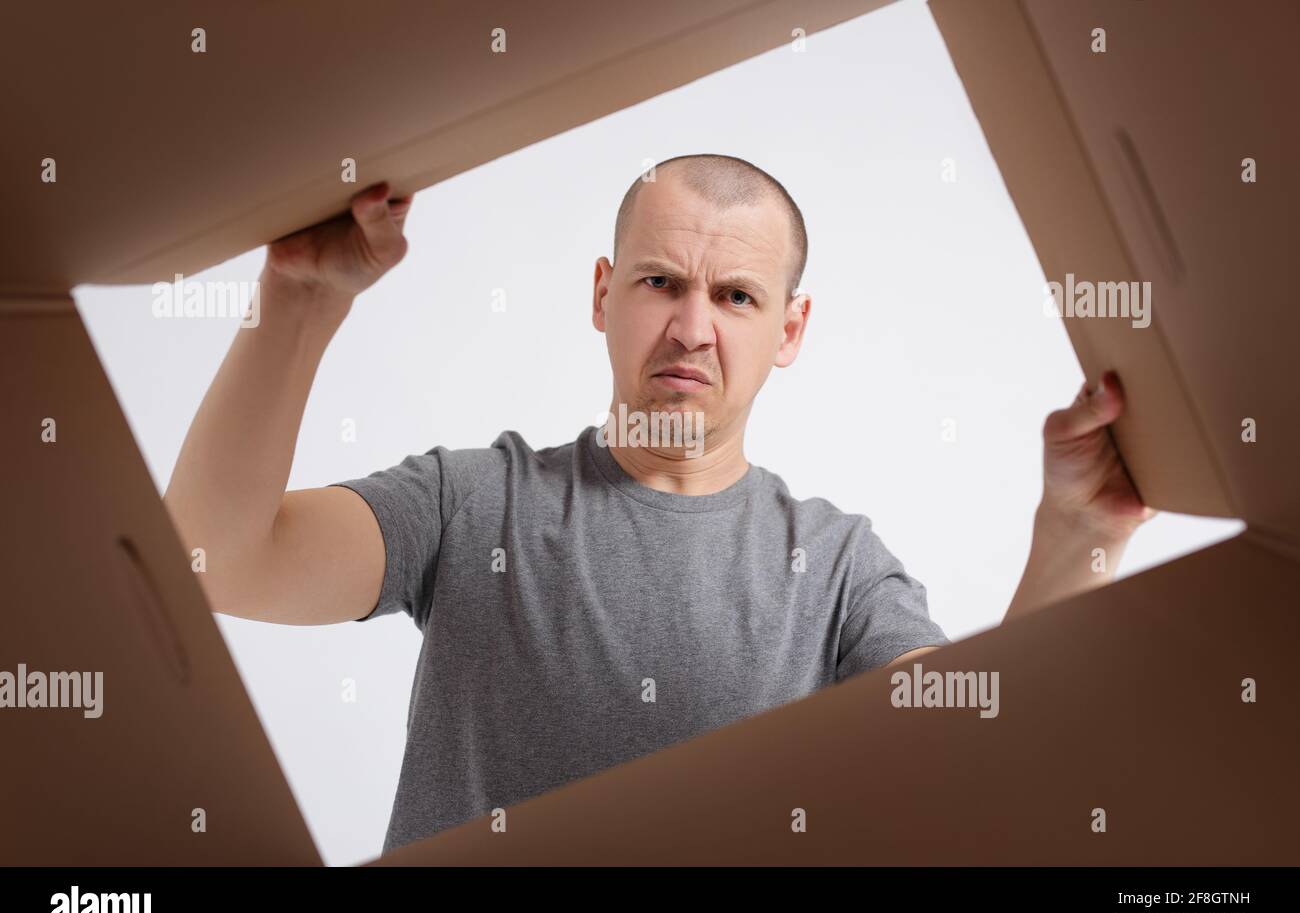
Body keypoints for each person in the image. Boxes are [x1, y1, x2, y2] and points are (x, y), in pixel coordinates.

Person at [163, 154, 1155, 854]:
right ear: (603, 293)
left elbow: (978, 779)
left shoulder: (840, 567)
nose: (690, 326)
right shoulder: (474, 502)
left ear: (790, 327)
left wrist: (1075, 533)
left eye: (734, 296)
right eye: (659, 281)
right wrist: (300, 296)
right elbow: (218, 557)